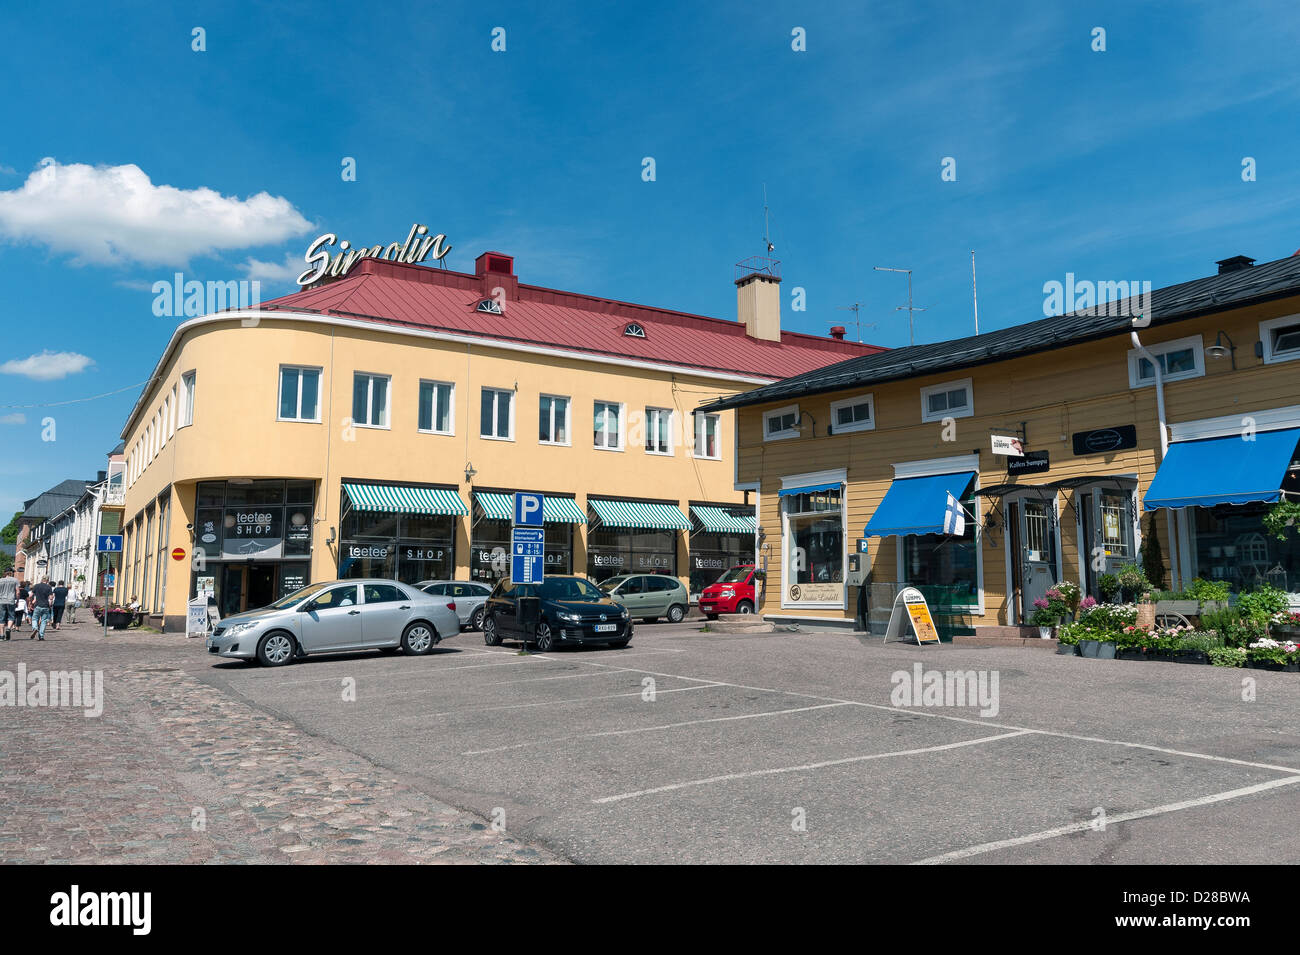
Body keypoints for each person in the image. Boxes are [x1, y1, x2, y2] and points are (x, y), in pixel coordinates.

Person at [0, 569, 17, 640]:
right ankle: (9, 628)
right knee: (11, 616)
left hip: (2, 601)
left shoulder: (1, 580)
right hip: (11, 600)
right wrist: (18, 600)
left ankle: (1, 635)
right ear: (11, 573)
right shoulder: (15, 580)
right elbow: (18, 591)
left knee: (1, 618)